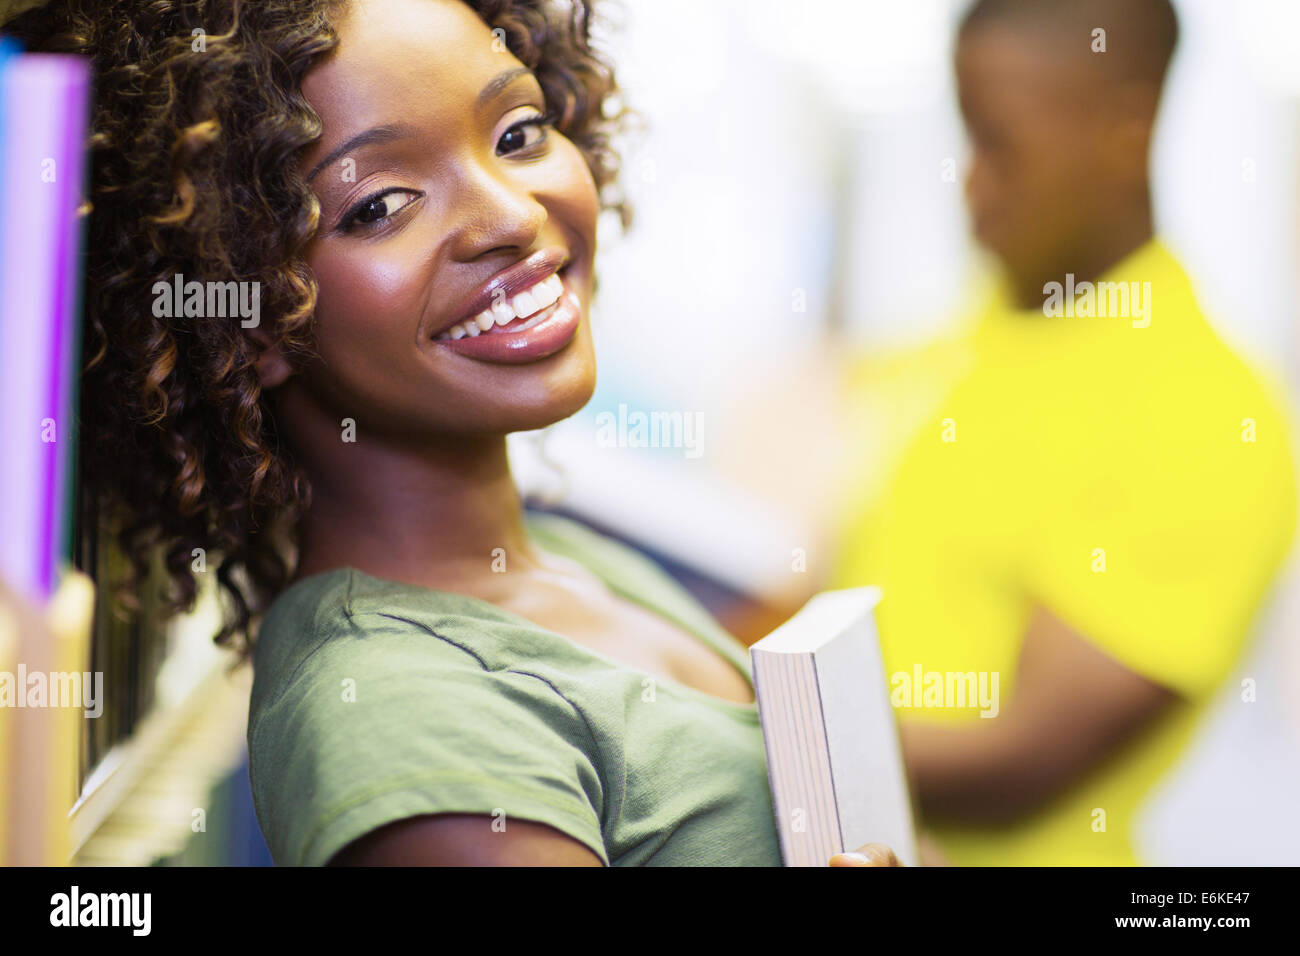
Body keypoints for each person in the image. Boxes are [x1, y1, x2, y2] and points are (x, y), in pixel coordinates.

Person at [6, 0, 904, 867]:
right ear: (248, 321)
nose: (514, 215)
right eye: (381, 205)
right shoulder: (405, 717)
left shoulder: (566, 561)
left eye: (517, 133)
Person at [831, 0, 1298, 865]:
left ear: (1127, 129)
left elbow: (1021, 764)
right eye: (962, 139)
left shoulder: (1210, 417)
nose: (970, 185)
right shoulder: (994, 317)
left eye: (998, 145)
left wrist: (726, 735)